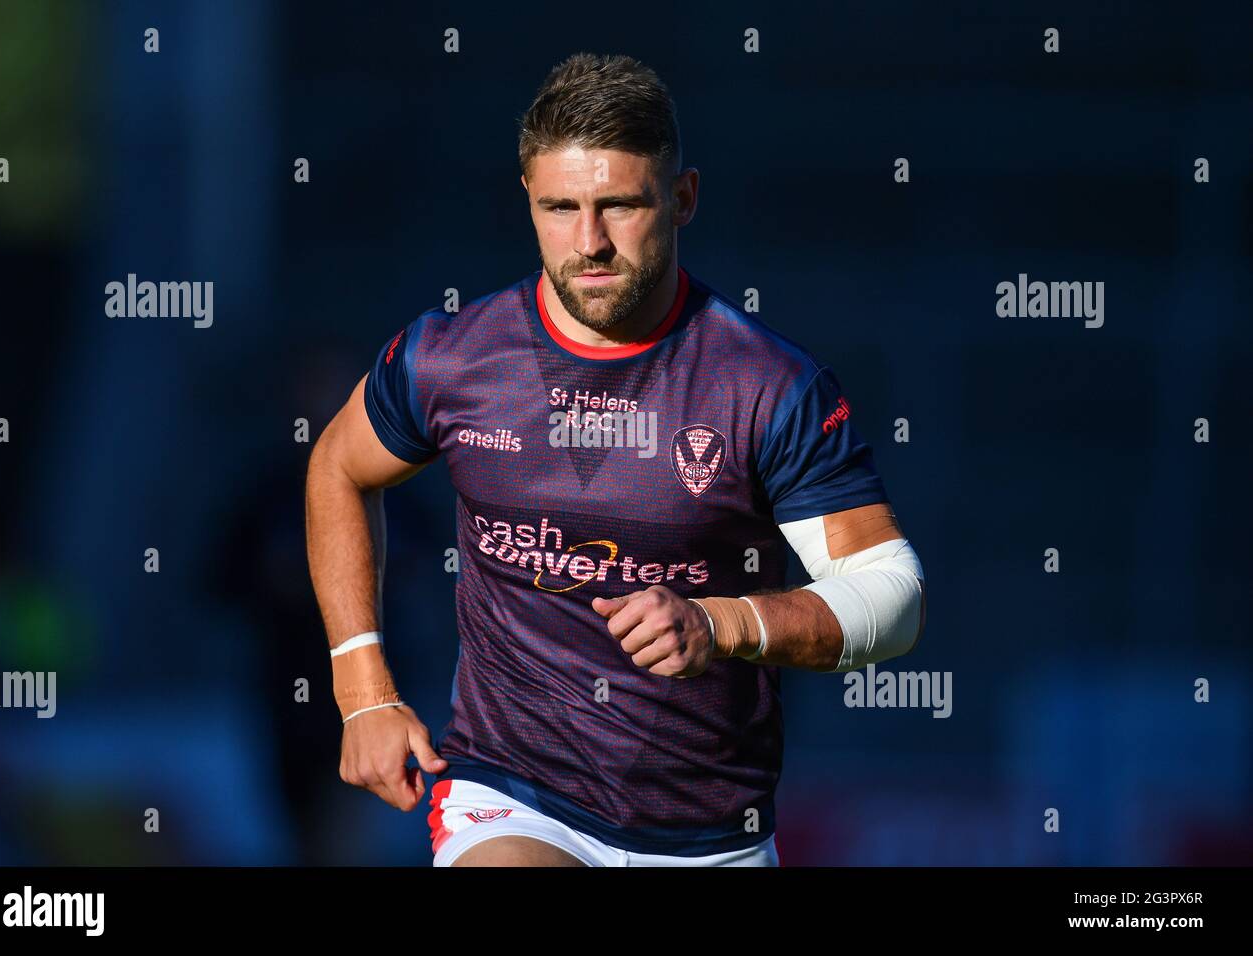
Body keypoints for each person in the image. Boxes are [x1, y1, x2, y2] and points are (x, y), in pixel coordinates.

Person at [304, 52, 925, 867]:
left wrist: (719, 622)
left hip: (711, 832)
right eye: (560, 207)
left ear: (683, 198)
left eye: (620, 206)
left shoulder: (766, 386)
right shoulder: (452, 357)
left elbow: (893, 596)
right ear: (526, 199)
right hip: (512, 793)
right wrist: (362, 693)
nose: (588, 242)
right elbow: (338, 469)